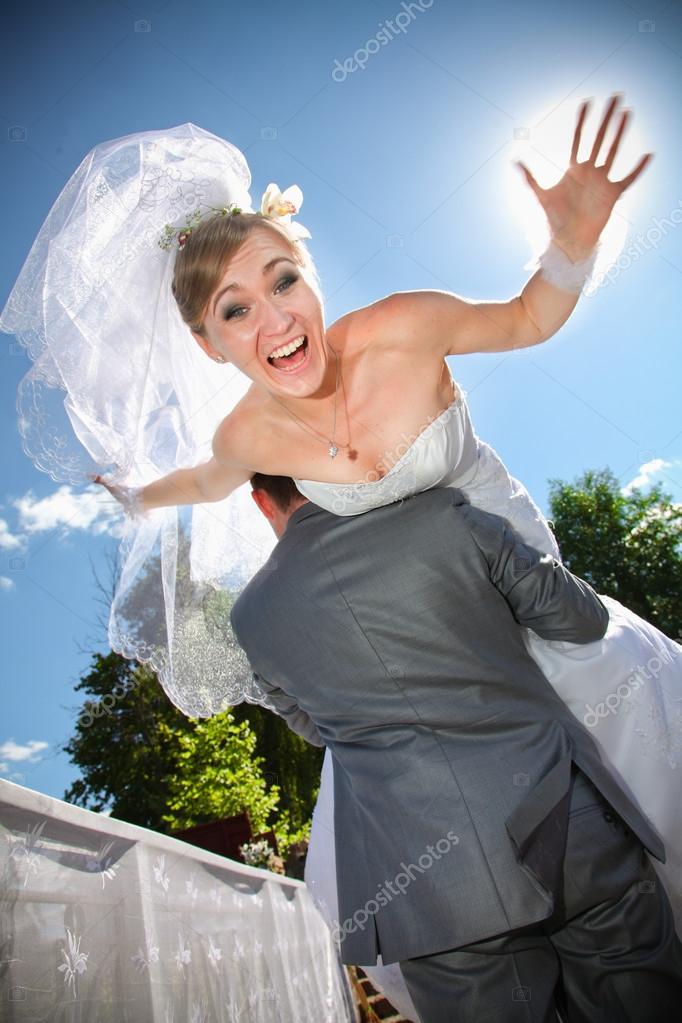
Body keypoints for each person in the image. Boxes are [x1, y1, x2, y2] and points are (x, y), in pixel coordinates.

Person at [2, 98, 680, 953]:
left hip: (542, 609)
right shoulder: (247, 434)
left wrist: (572, 244)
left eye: (282, 279)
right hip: (456, 656)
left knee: (645, 800)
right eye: (235, 310)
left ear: (308, 269)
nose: (277, 319)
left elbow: (528, 318)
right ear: (210, 344)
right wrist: (143, 496)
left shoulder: (402, 329)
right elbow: (212, 480)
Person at [234, 470, 682, 1022]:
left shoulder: (251, 617)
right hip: (567, 829)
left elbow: (316, 730)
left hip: (428, 890)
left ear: (261, 502)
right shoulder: (442, 514)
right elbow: (579, 620)